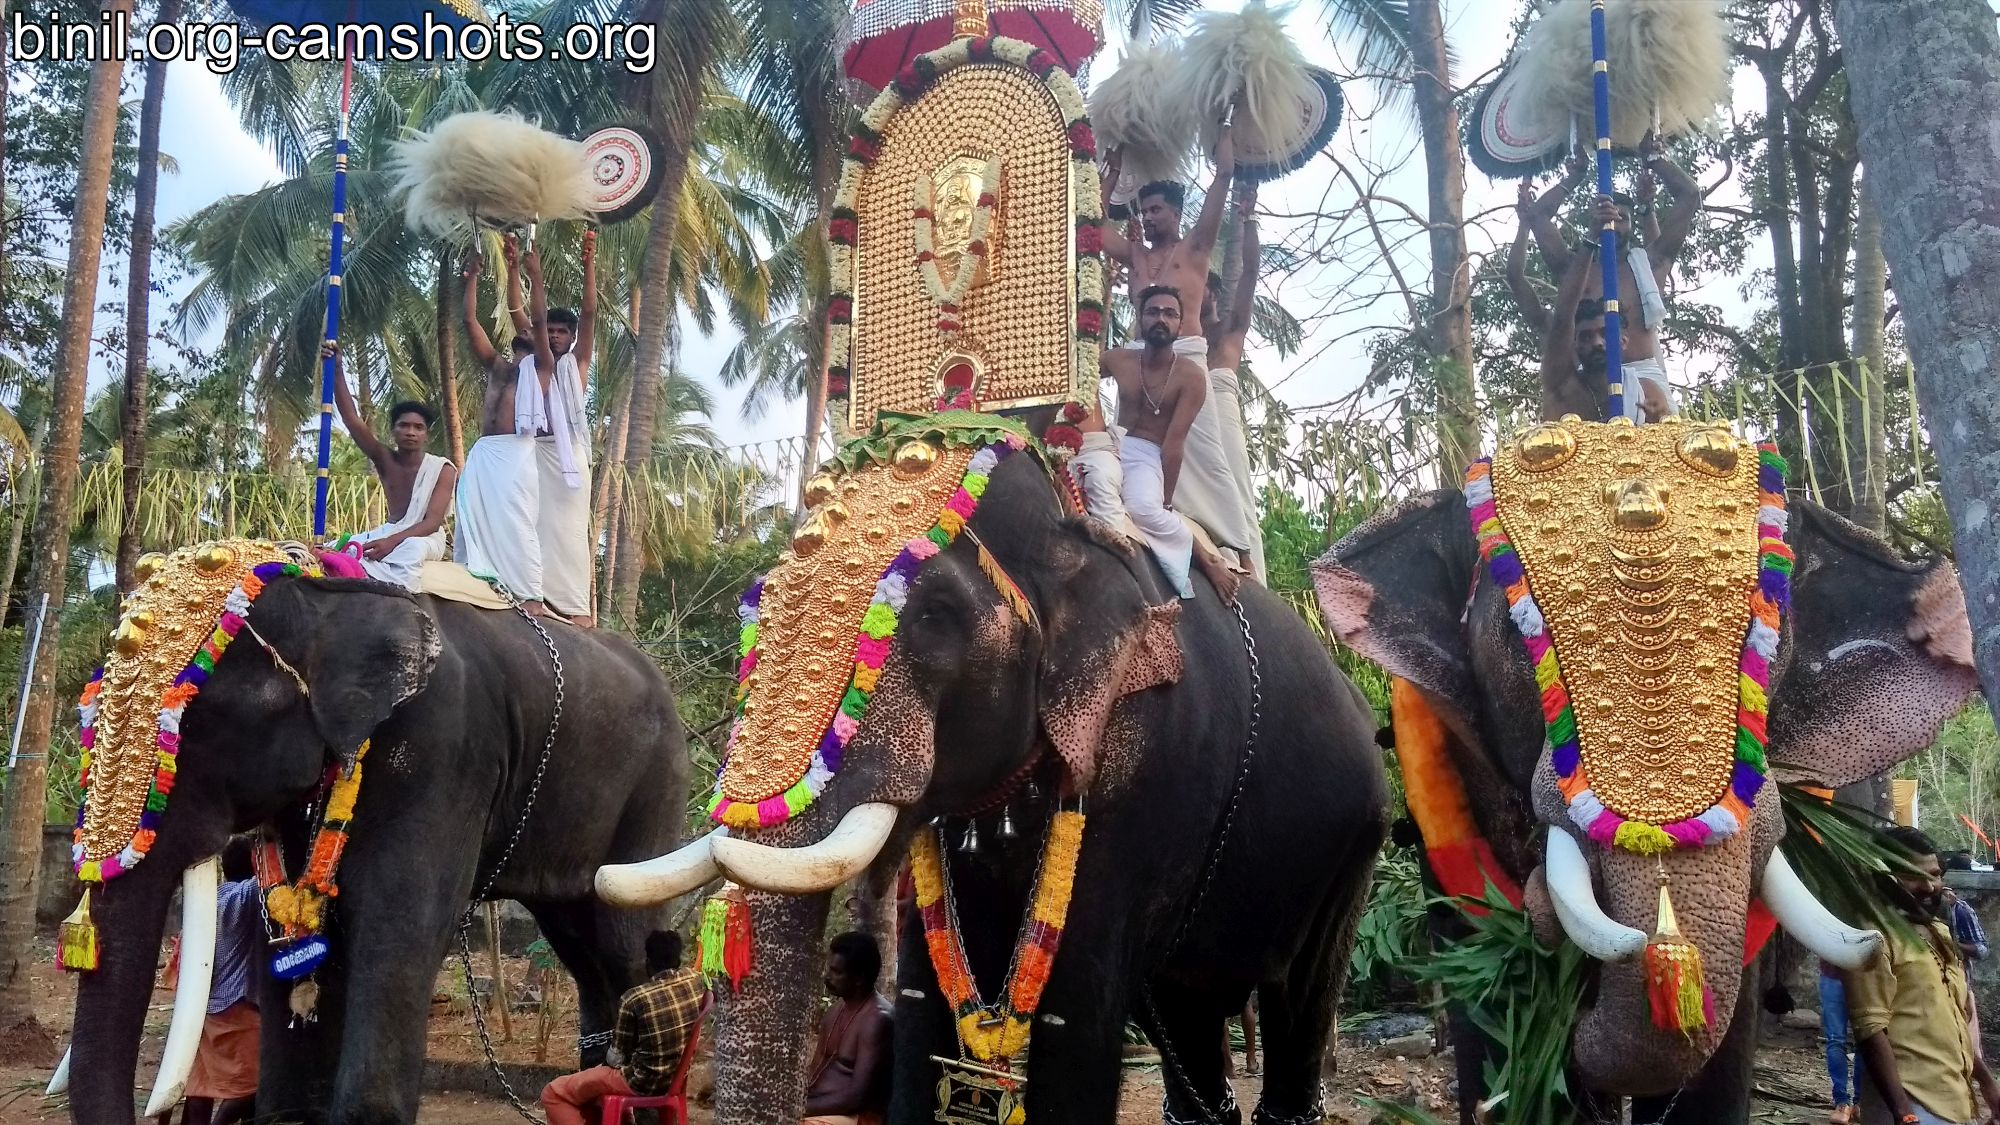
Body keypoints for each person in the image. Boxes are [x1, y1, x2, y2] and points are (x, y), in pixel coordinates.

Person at [1521, 138, 1699, 423]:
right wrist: (1575, 176)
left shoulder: (1651, 265)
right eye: (1608, 215)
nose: (1614, 223)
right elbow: (1538, 216)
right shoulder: (1574, 269)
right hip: (1588, 386)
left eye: (1622, 218)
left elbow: (1689, 196)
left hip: (1645, 382)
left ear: (1631, 224)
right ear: (1594, 217)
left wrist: (1654, 159)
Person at [1850, 826, 2000, 1125]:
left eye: (1935, 874)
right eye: (1914, 876)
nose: (1931, 887)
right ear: (1884, 878)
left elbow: (1957, 1017)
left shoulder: (1941, 932)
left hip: (1955, 1097)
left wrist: (1986, 1082)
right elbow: (1870, 1029)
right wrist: (1903, 1113)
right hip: (1911, 1102)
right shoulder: (1870, 937)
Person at [1100, 286, 1238, 603]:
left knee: (1144, 509)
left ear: (1179, 323)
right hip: (1111, 442)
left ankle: (1207, 558)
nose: (1160, 318)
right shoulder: (1119, 359)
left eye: (1169, 313)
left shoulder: (1190, 377)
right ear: (1141, 319)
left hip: (1147, 454)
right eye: (1153, 312)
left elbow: (1174, 445)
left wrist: (1166, 502)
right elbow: (1075, 376)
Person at [455, 237, 550, 616]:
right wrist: (473, 276)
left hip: (515, 452)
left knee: (516, 521)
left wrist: (533, 275)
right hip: (484, 453)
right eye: (521, 329)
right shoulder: (498, 365)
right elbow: (468, 321)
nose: (525, 329)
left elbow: (539, 320)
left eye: (530, 329)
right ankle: (472, 582)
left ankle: (531, 596)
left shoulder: (543, 367)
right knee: (471, 519)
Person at [1100, 125, 1236, 371]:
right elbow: (1095, 229)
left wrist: (1224, 126)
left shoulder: (1196, 247)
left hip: (1187, 356)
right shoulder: (1137, 254)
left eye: (1155, 210)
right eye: (1143, 212)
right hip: (1141, 358)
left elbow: (1224, 176)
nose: (1147, 218)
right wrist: (1113, 174)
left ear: (1176, 214)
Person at [540, 930, 706, 1125]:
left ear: (648, 963)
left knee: (553, 1093)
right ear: (678, 960)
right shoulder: (695, 982)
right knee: (594, 1087)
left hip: (639, 1082)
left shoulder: (635, 999)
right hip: (674, 1080)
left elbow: (615, 1058)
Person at [516, 230, 598, 626]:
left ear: (572, 337)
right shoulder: (536, 363)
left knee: (567, 535)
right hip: (534, 453)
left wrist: (589, 265)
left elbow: (591, 313)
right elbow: (521, 314)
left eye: (561, 331)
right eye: (548, 330)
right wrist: (520, 271)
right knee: (530, 524)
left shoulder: (577, 363)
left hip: (570, 460)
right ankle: (534, 598)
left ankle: (576, 608)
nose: (553, 335)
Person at [327, 344, 456, 589]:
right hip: (390, 531)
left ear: (426, 435)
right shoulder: (385, 459)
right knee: (335, 549)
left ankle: (394, 592)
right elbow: (352, 420)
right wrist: (337, 370)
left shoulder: (442, 469)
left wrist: (391, 542)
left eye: (418, 428)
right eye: (404, 426)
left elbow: (432, 523)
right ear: (393, 431)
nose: (410, 432)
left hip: (423, 539)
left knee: (411, 550)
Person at [153, 838, 259, 1125]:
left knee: (199, 1087)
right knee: (253, 1084)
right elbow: (268, 879)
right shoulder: (244, 897)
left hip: (199, 1010)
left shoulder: (203, 903)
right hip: (236, 1010)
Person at [1198, 182, 1267, 582]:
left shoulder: (1229, 334)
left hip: (1222, 414)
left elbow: (1252, 272)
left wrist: (1249, 218)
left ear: (1215, 291)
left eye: (1207, 288)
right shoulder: (1180, 345)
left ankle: (1255, 581)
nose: (1200, 295)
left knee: (1238, 493)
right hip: (1191, 422)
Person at [804, 932, 893, 1125]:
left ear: (859, 978)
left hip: (857, 1116)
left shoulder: (877, 1020)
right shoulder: (835, 1010)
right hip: (816, 1107)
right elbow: (813, 1071)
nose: (827, 976)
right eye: (829, 968)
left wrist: (800, 1109)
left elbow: (857, 1098)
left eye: (836, 972)